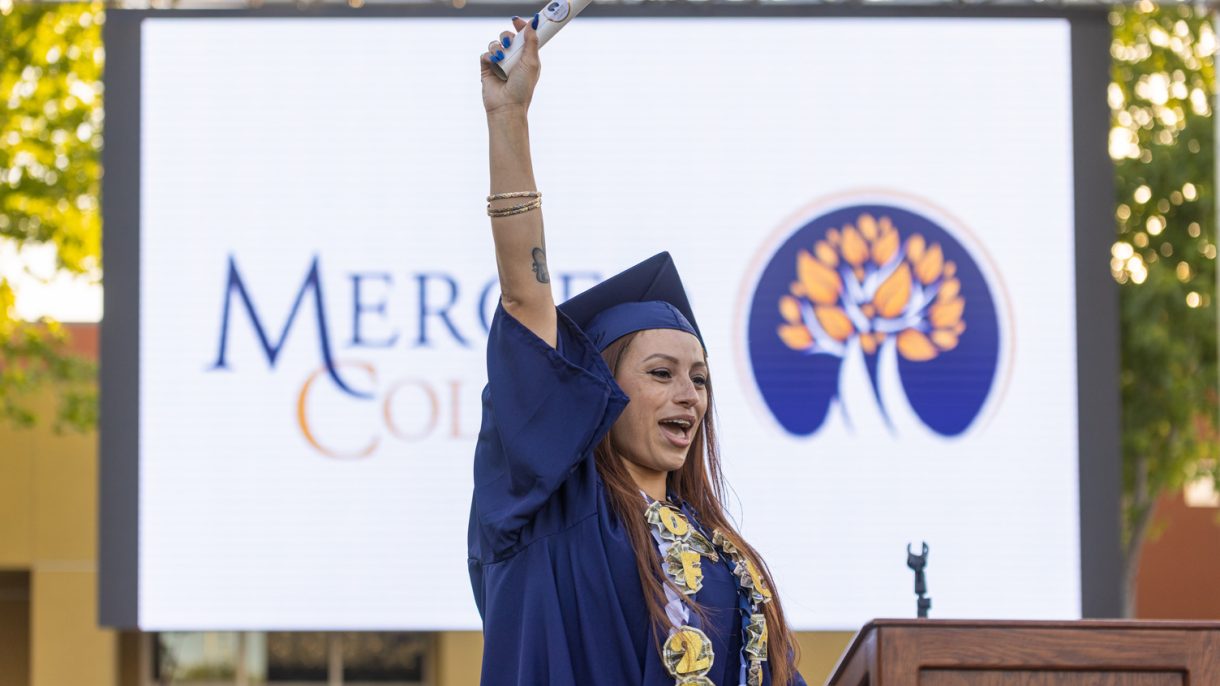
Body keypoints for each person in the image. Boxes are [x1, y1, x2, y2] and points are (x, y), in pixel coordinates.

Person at [469, 16, 807, 686]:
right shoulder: (553, 509)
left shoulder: (725, 554)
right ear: (598, 394)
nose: (691, 396)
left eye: (701, 380)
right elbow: (525, 301)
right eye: (661, 374)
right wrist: (509, 114)